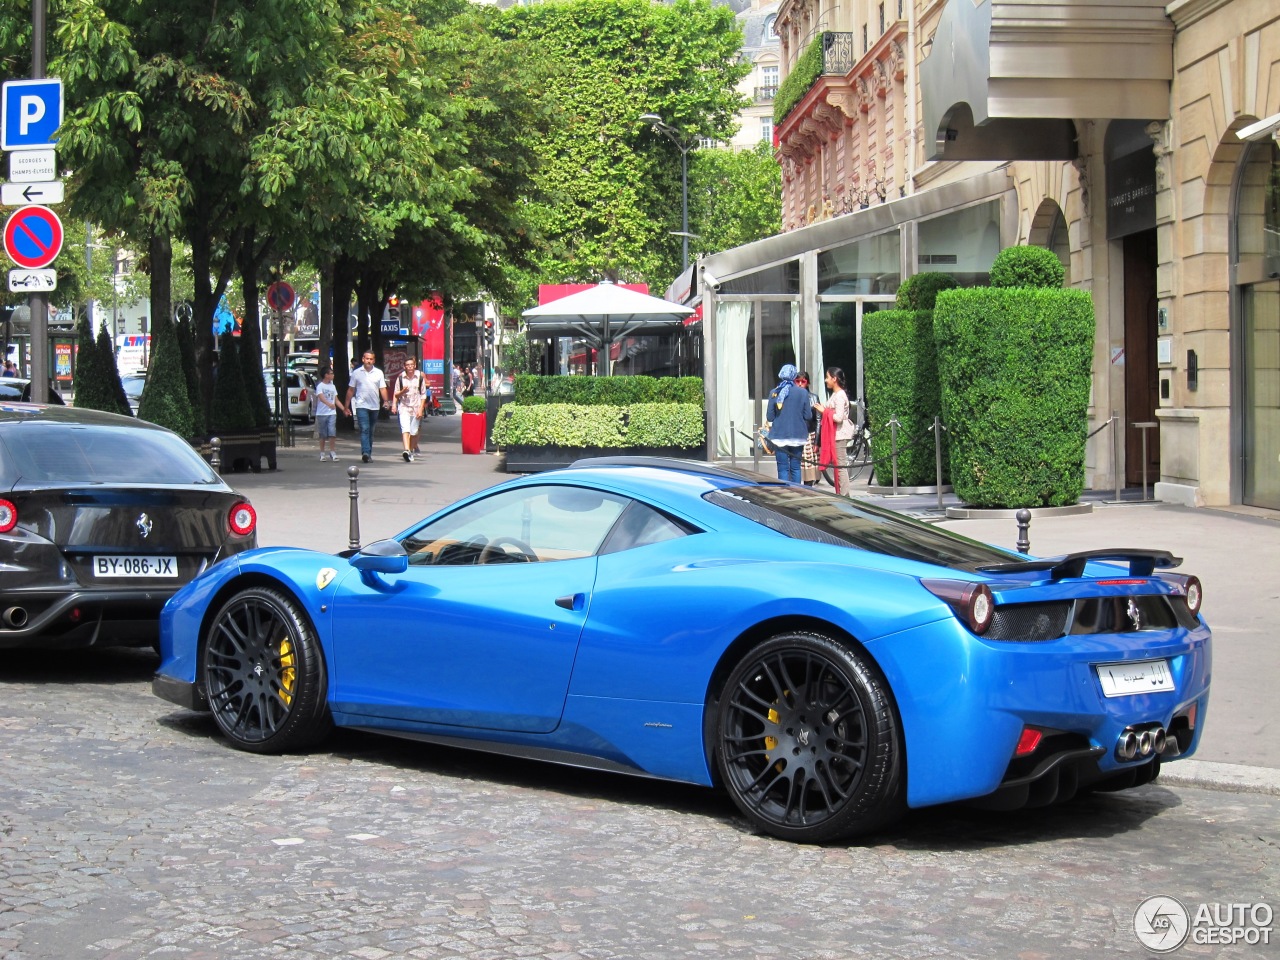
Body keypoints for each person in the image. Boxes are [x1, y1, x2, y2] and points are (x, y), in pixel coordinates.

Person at [765, 363, 813, 484]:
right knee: (796, 467)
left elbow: (770, 417)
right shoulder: (803, 393)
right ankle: (796, 492)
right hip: (798, 435)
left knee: (782, 468)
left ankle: (784, 494)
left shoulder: (774, 393)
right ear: (794, 376)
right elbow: (808, 415)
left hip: (780, 435)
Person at [813, 365, 855, 494]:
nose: (826, 380)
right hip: (835, 434)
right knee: (838, 465)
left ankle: (845, 494)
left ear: (834, 379)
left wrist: (824, 411)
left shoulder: (840, 396)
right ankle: (842, 493)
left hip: (839, 435)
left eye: (827, 377)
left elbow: (838, 417)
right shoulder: (836, 394)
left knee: (840, 465)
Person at [345, 350, 388, 463]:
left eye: (371, 359)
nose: (369, 361)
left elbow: (382, 388)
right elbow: (351, 389)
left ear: (374, 360)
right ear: (363, 359)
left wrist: (386, 401)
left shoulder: (379, 373)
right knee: (364, 429)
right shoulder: (356, 373)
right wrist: (346, 406)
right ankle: (365, 452)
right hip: (361, 405)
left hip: (374, 406)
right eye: (367, 358)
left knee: (371, 430)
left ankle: (368, 452)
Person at [392, 357, 427, 462]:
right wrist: (402, 392)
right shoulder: (400, 378)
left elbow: (423, 395)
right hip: (404, 408)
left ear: (415, 365)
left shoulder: (419, 378)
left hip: (416, 408)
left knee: (414, 432)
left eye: (411, 364)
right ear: (404, 367)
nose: (410, 367)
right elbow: (396, 394)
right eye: (407, 365)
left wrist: (421, 409)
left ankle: (411, 450)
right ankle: (406, 450)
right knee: (405, 429)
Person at [313, 366, 346, 462]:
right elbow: (321, 397)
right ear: (326, 375)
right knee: (323, 434)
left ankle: (332, 452)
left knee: (332, 432)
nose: (333, 375)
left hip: (332, 413)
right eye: (331, 373)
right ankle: (322, 453)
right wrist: (329, 404)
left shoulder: (333, 386)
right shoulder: (320, 386)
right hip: (321, 413)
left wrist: (344, 409)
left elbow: (336, 400)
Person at [796, 372, 819, 485]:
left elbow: (818, 421)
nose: (800, 384)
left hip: (809, 435)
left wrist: (817, 441)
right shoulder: (792, 397)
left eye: (803, 381)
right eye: (797, 381)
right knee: (795, 468)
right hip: (795, 435)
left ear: (808, 382)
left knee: (809, 472)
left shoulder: (814, 398)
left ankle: (808, 490)